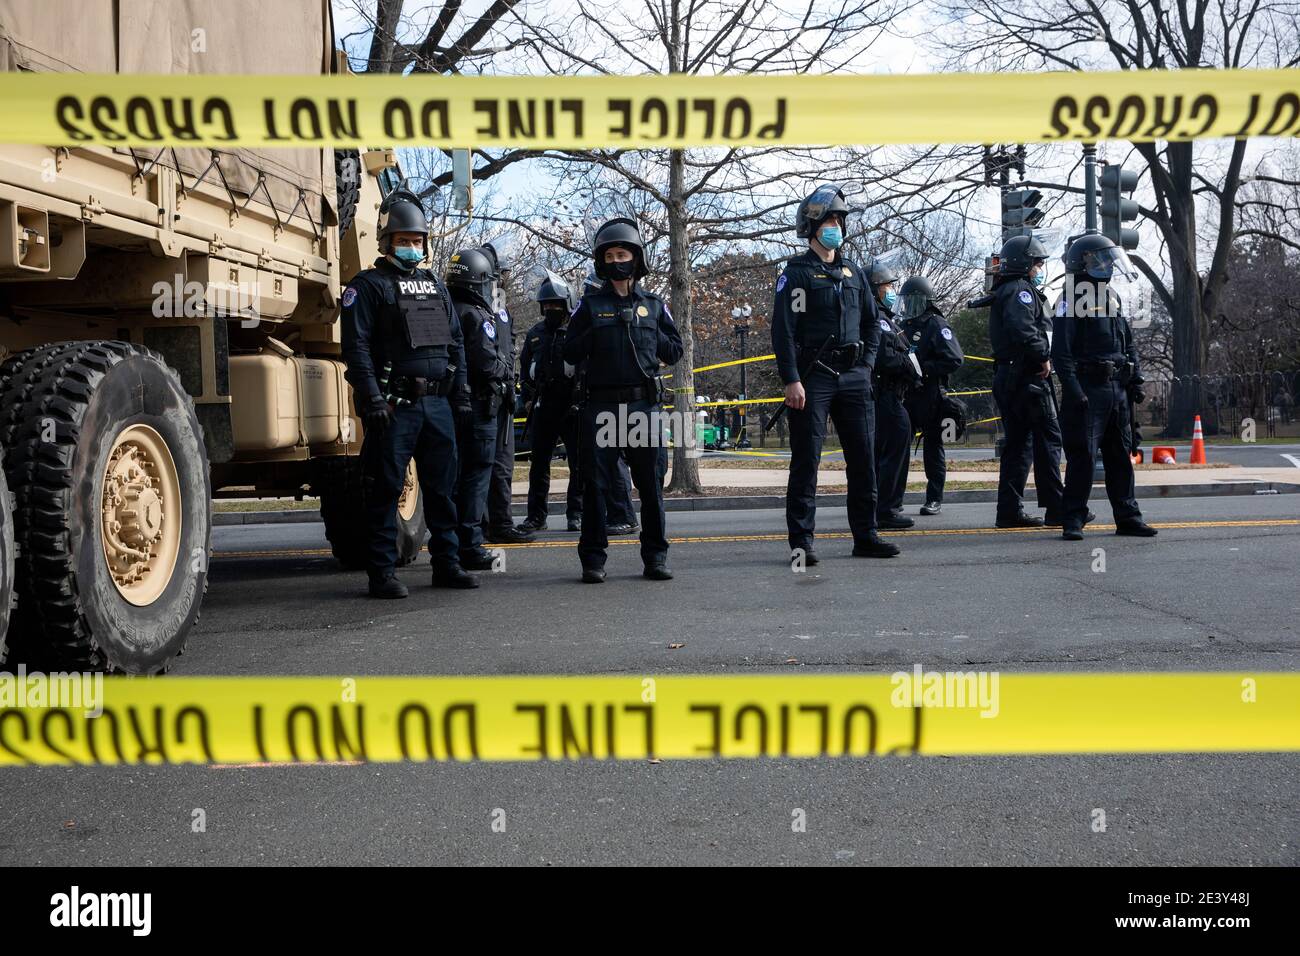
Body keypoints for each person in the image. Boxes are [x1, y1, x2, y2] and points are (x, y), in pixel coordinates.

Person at [340, 189, 477, 597]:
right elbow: (357, 347)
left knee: (442, 489)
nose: (412, 248)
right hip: (395, 405)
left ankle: (447, 564)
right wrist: (371, 398)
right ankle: (381, 573)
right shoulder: (367, 287)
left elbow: (456, 343)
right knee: (385, 489)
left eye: (417, 242)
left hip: (437, 404)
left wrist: (462, 393)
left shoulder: (434, 285)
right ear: (386, 242)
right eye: (404, 241)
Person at [772, 184, 899, 563]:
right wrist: (791, 378)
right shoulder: (795, 275)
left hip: (855, 375)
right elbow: (784, 330)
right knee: (807, 459)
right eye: (829, 220)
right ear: (811, 226)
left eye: (839, 220)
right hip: (814, 378)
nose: (836, 226)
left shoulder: (854, 273)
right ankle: (802, 542)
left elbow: (874, 324)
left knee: (863, 458)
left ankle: (866, 535)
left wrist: (867, 364)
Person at [562, 217, 683, 583]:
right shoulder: (588, 305)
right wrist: (595, 332)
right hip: (600, 408)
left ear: (636, 258)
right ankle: (594, 560)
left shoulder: (655, 305)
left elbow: (675, 349)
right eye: (611, 255)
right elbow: (569, 350)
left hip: (643, 407)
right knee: (596, 487)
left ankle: (656, 557)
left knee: (650, 485)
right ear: (603, 261)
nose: (617, 261)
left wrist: (644, 331)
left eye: (623, 253)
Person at [1052, 234, 1157, 540]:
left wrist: (1136, 380)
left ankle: (1128, 517)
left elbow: (1128, 343)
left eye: (1109, 258)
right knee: (1082, 457)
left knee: (1120, 455)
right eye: (1101, 259)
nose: (1108, 264)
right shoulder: (1069, 298)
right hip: (1088, 388)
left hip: (1117, 389)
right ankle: (1072, 518)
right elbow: (1062, 352)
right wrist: (1074, 390)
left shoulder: (1111, 296)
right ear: (1083, 262)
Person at [988, 234, 1066, 528]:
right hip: (1027, 377)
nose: (1039, 269)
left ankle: (1008, 511)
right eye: (1037, 264)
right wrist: (1043, 356)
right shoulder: (1021, 291)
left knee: (1019, 444)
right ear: (1024, 264)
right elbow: (1024, 329)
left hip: (1010, 376)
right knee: (1048, 438)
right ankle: (1058, 508)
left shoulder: (1006, 289)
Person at [445, 246, 513, 570]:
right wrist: (507, 372)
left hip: (454, 406)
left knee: (456, 476)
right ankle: (471, 546)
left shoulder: (446, 309)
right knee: (477, 476)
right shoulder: (476, 315)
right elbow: (487, 362)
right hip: (480, 406)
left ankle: (455, 543)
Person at [478, 241, 535, 545]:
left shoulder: (502, 311)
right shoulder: (473, 308)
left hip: (503, 398)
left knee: (503, 464)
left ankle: (500, 523)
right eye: (500, 274)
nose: (504, 280)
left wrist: (511, 386)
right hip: (480, 398)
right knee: (480, 467)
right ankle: (478, 527)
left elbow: (509, 349)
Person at [517, 270, 584, 533]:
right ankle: (536, 517)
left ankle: (575, 514)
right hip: (544, 405)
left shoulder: (578, 331)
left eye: (556, 304)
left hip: (573, 406)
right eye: (547, 305)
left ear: (567, 303)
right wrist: (525, 399)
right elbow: (524, 369)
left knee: (578, 465)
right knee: (539, 464)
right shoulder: (535, 334)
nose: (551, 309)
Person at [897, 275, 964, 516]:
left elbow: (955, 359)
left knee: (933, 448)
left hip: (931, 394)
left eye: (910, 301)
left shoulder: (937, 324)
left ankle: (934, 498)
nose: (905, 306)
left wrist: (924, 368)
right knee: (899, 446)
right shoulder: (904, 326)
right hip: (907, 394)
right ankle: (894, 499)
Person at [869, 258, 920, 529]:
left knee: (887, 452)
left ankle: (884, 506)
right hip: (885, 394)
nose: (891, 291)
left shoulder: (886, 318)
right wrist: (909, 368)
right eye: (886, 286)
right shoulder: (877, 319)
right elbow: (885, 357)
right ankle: (887, 508)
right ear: (875, 289)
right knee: (892, 452)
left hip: (890, 394)